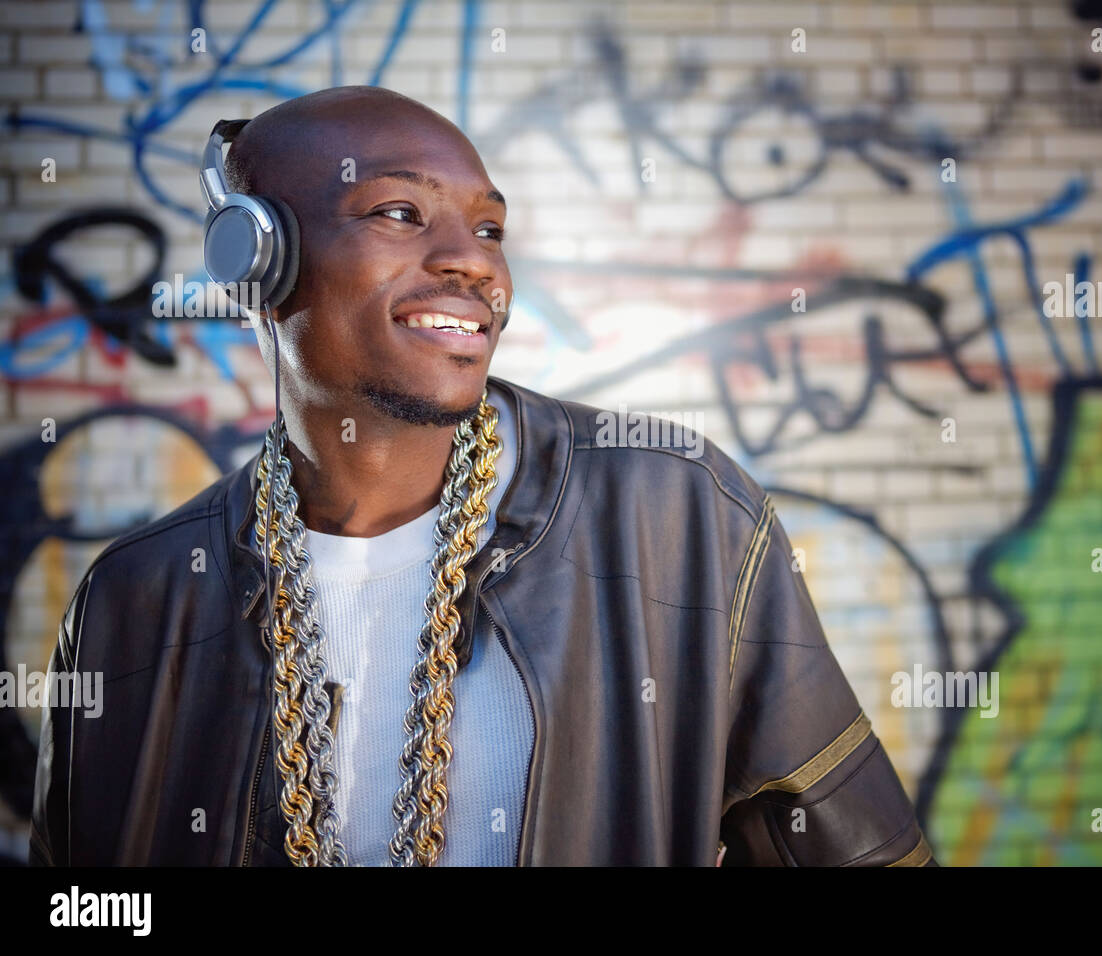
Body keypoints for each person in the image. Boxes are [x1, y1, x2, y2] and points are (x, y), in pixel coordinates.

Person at [30, 86, 935, 867]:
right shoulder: (136, 601)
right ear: (254, 258)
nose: (475, 262)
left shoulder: (677, 518)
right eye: (399, 213)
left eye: (490, 227)